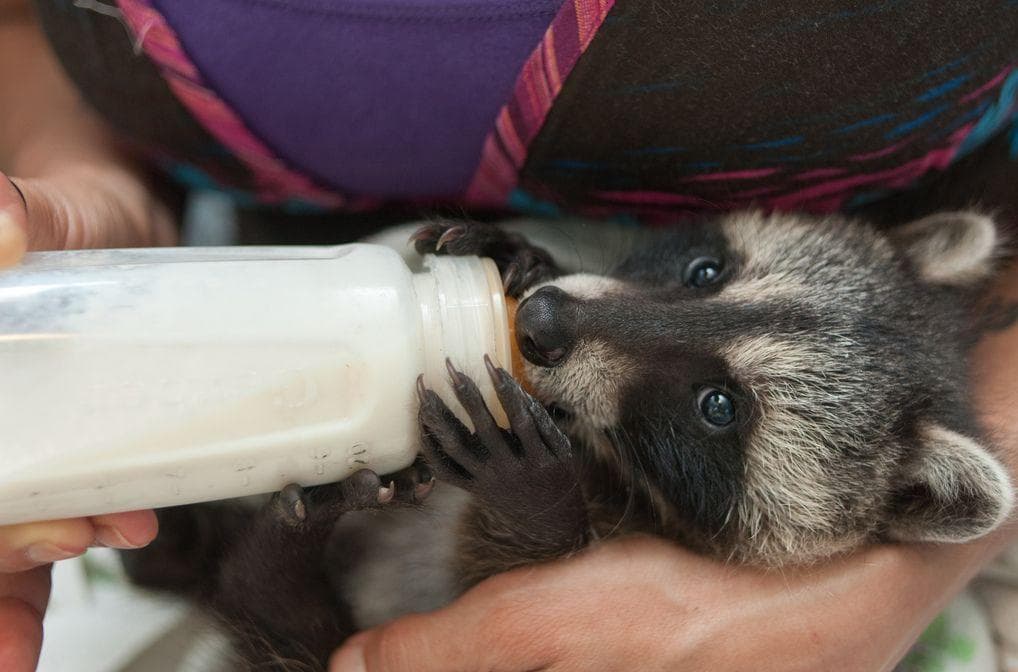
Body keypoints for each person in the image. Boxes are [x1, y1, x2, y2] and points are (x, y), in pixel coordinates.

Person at [1, 1, 1016, 671]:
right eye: (705, 272)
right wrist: (91, 198)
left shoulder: (815, 511)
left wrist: (874, 595)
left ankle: (236, 546)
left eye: (720, 406)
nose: (573, 307)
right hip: (207, 280)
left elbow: (522, 584)